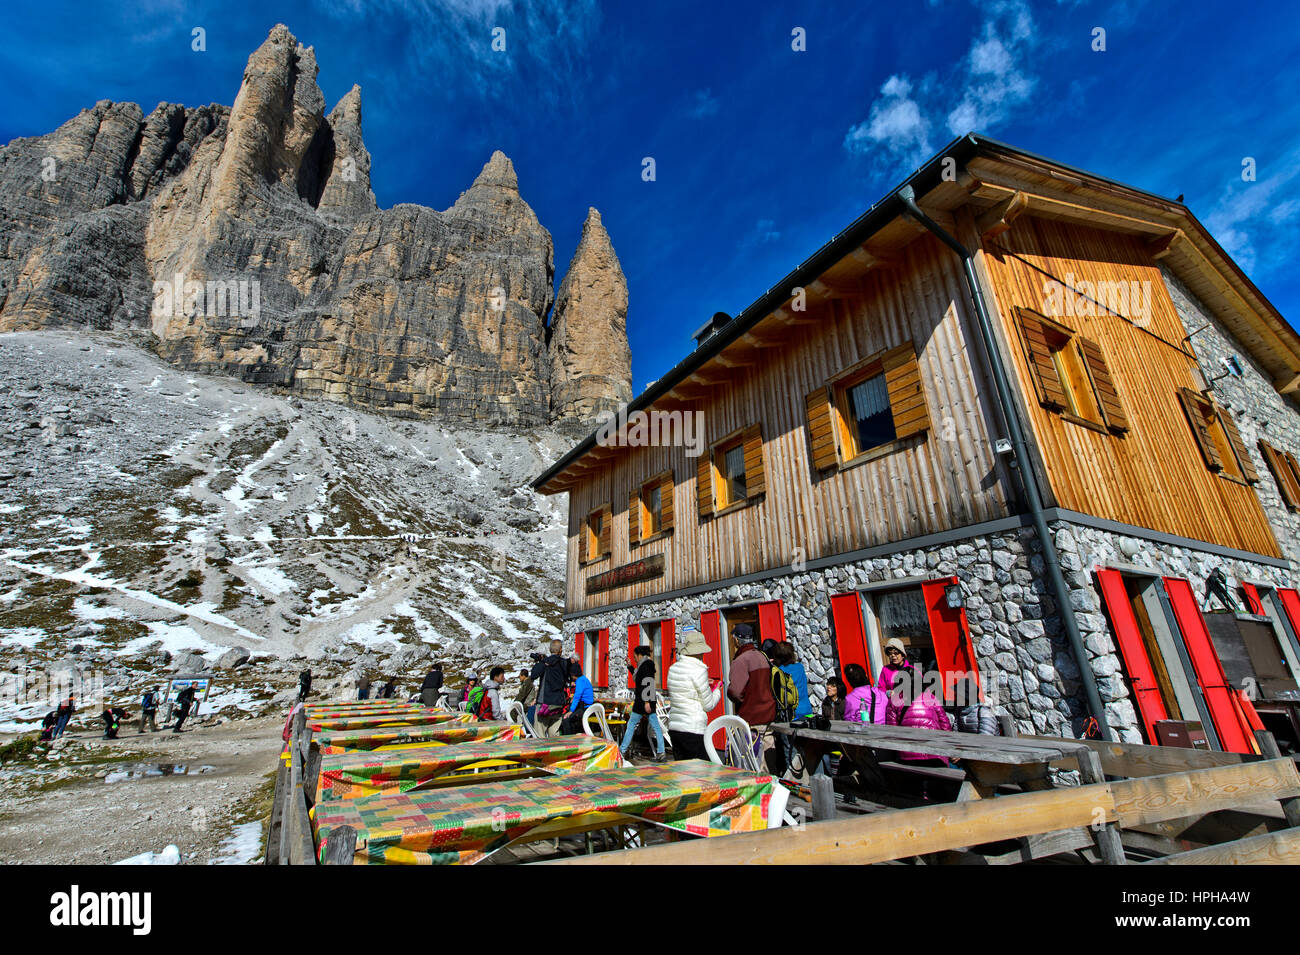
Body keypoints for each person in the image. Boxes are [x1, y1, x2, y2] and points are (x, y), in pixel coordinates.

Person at [727, 624, 777, 769]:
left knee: (754, 762)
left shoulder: (741, 660)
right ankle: (772, 787)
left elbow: (736, 691)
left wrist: (734, 695)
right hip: (768, 713)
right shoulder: (762, 656)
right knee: (769, 757)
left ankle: (760, 789)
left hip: (751, 716)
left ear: (737, 640)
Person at [666, 630, 722, 761]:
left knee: (681, 774)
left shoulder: (673, 668)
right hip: (693, 728)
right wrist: (717, 691)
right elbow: (708, 705)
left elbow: (683, 689)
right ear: (700, 652)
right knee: (701, 775)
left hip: (675, 727)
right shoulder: (699, 670)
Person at [887, 667, 952, 764]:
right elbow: (945, 725)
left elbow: (892, 731)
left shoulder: (894, 701)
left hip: (907, 756)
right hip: (935, 754)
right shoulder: (931, 697)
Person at [621, 645, 666, 761]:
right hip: (646, 700)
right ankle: (661, 752)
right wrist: (630, 666)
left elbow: (648, 683)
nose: (634, 658)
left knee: (631, 725)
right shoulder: (645, 665)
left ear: (639, 655)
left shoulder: (646, 665)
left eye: (635, 656)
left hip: (643, 701)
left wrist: (647, 702)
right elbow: (638, 678)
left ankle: (622, 750)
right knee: (655, 726)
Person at [529, 640, 571, 737]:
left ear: (549, 649)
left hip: (544, 704)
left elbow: (533, 675)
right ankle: (555, 751)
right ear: (561, 650)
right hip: (558, 703)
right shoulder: (564, 663)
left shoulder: (545, 663)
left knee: (540, 735)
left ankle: (541, 752)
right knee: (554, 735)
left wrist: (542, 661)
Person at [561, 660, 595, 734]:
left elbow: (577, 696)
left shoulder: (580, 681)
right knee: (571, 721)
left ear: (573, 674)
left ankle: (569, 740)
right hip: (585, 706)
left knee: (566, 719)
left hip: (585, 707)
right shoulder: (583, 679)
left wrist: (571, 711)